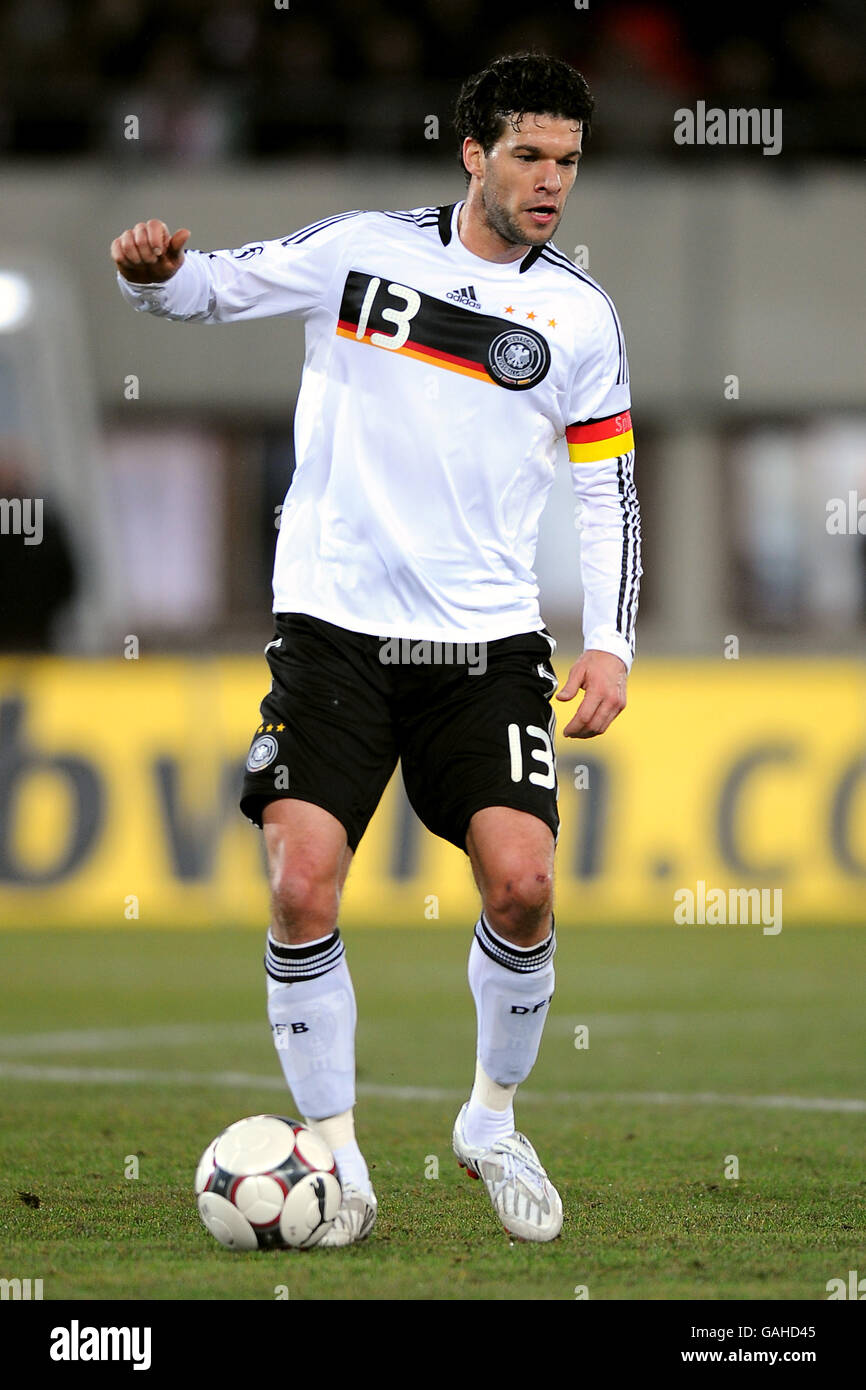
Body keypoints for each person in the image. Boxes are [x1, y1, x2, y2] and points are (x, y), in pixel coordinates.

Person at [111, 51, 641, 1246]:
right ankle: (337, 1161)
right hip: (333, 631)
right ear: (472, 154)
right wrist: (153, 278)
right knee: (301, 884)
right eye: (528, 156)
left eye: (566, 159)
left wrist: (607, 643)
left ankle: (491, 1121)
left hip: (489, 644)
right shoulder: (360, 252)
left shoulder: (579, 317)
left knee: (522, 882)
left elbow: (607, 488)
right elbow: (213, 287)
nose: (551, 180)